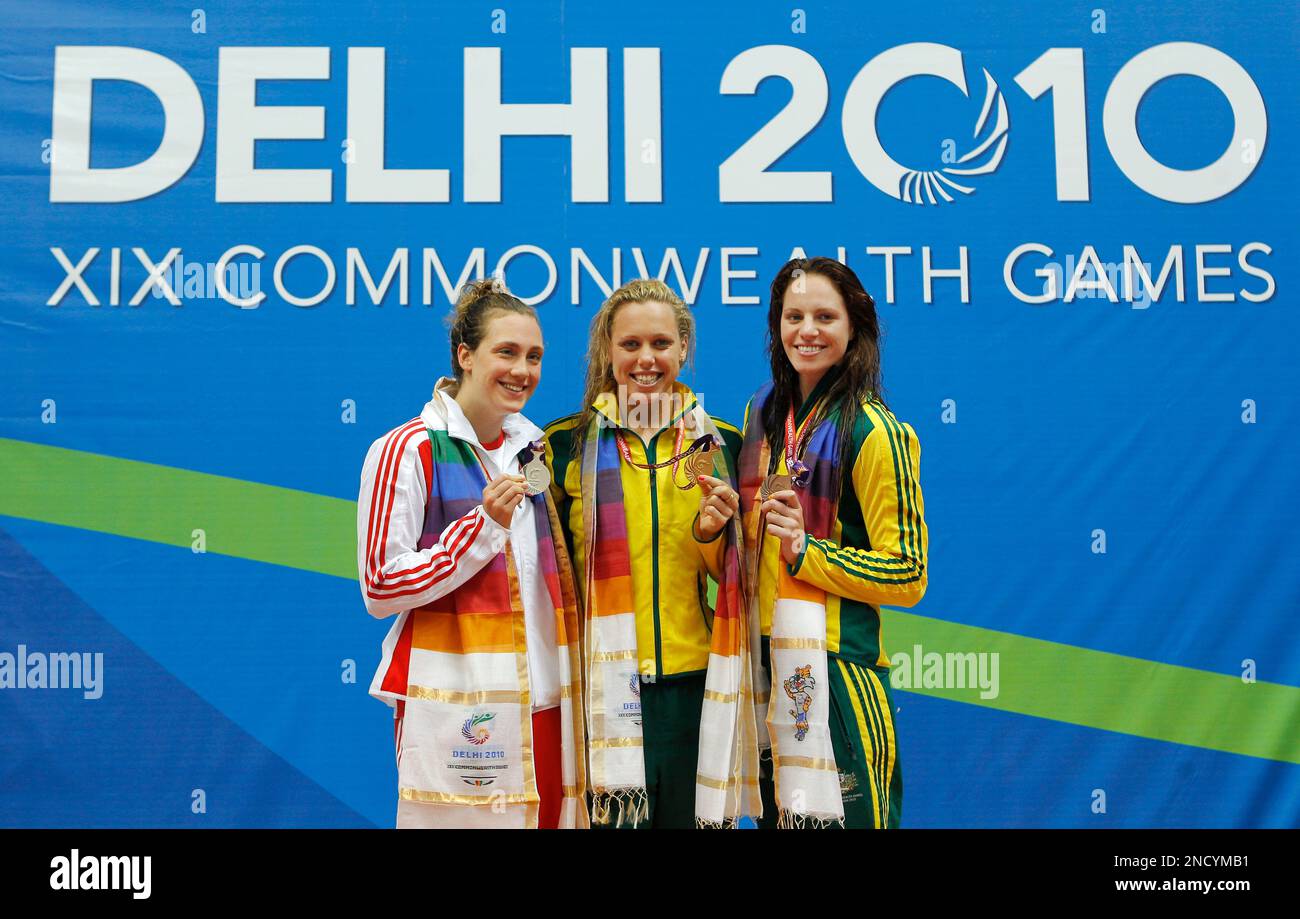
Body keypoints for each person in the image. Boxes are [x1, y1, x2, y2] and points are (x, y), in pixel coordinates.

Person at [356, 278, 587, 829]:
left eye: (533, 356)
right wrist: (482, 527)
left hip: (547, 698)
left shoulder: (533, 450)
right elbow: (380, 586)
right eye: (505, 352)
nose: (522, 370)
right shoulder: (407, 448)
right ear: (465, 354)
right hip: (456, 700)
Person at [544, 278, 759, 828]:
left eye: (661, 344)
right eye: (631, 344)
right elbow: (552, 575)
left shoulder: (722, 443)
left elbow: (740, 576)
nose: (647, 359)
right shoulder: (562, 444)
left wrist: (714, 533)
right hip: (600, 690)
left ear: (683, 348)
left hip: (692, 690)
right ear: (607, 351)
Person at [738, 257, 928, 829]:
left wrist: (807, 553)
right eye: (793, 316)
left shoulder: (878, 431)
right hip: (766, 667)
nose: (807, 331)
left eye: (825, 316)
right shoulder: (762, 415)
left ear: (855, 328)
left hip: (840, 674)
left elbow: (908, 573)